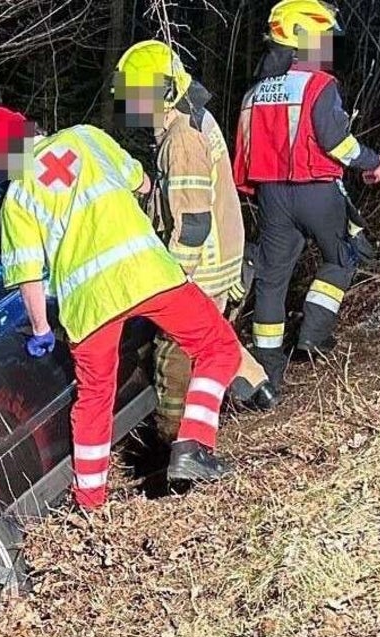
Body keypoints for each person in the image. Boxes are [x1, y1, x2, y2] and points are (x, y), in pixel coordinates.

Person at [0, 105, 243, 509]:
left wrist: (41, 330)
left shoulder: (17, 199)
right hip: (147, 274)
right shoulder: (85, 136)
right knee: (218, 348)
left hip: (89, 305)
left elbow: (28, 276)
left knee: (94, 400)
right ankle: (193, 445)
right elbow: (143, 183)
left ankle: (89, 503)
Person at [114, 40, 278, 442]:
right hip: (220, 257)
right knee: (214, 335)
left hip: (202, 266)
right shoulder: (189, 119)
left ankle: (182, 444)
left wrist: (174, 285)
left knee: (174, 358)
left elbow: (192, 224)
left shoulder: (181, 140)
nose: (131, 105)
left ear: (163, 91)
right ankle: (260, 392)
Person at [234, 0, 380, 393]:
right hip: (318, 192)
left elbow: (244, 155)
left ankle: (268, 372)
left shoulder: (252, 95)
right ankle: (314, 334)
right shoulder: (320, 85)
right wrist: (375, 162)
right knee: (345, 255)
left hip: (272, 198)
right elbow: (337, 143)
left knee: (272, 279)